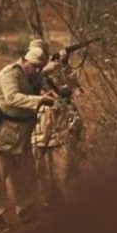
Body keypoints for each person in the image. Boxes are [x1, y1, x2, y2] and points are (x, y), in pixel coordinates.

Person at [0, 46, 56, 229]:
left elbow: (47, 80)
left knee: (26, 176)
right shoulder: (9, 74)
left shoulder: (36, 76)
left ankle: (27, 213)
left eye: (40, 67)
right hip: (0, 133)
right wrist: (39, 100)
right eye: (34, 66)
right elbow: (12, 98)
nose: (37, 70)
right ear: (25, 61)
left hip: (22, 135)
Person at [28, 38, 84, 211]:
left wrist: (64, 66)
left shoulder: (59, 70)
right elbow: (29, 87)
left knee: (66, 173)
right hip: (38, 131)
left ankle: (70, 209)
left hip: (61, 130)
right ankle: (45, 208)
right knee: (41, 174)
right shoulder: (28, 73)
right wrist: (45, 71)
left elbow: (77, 91)